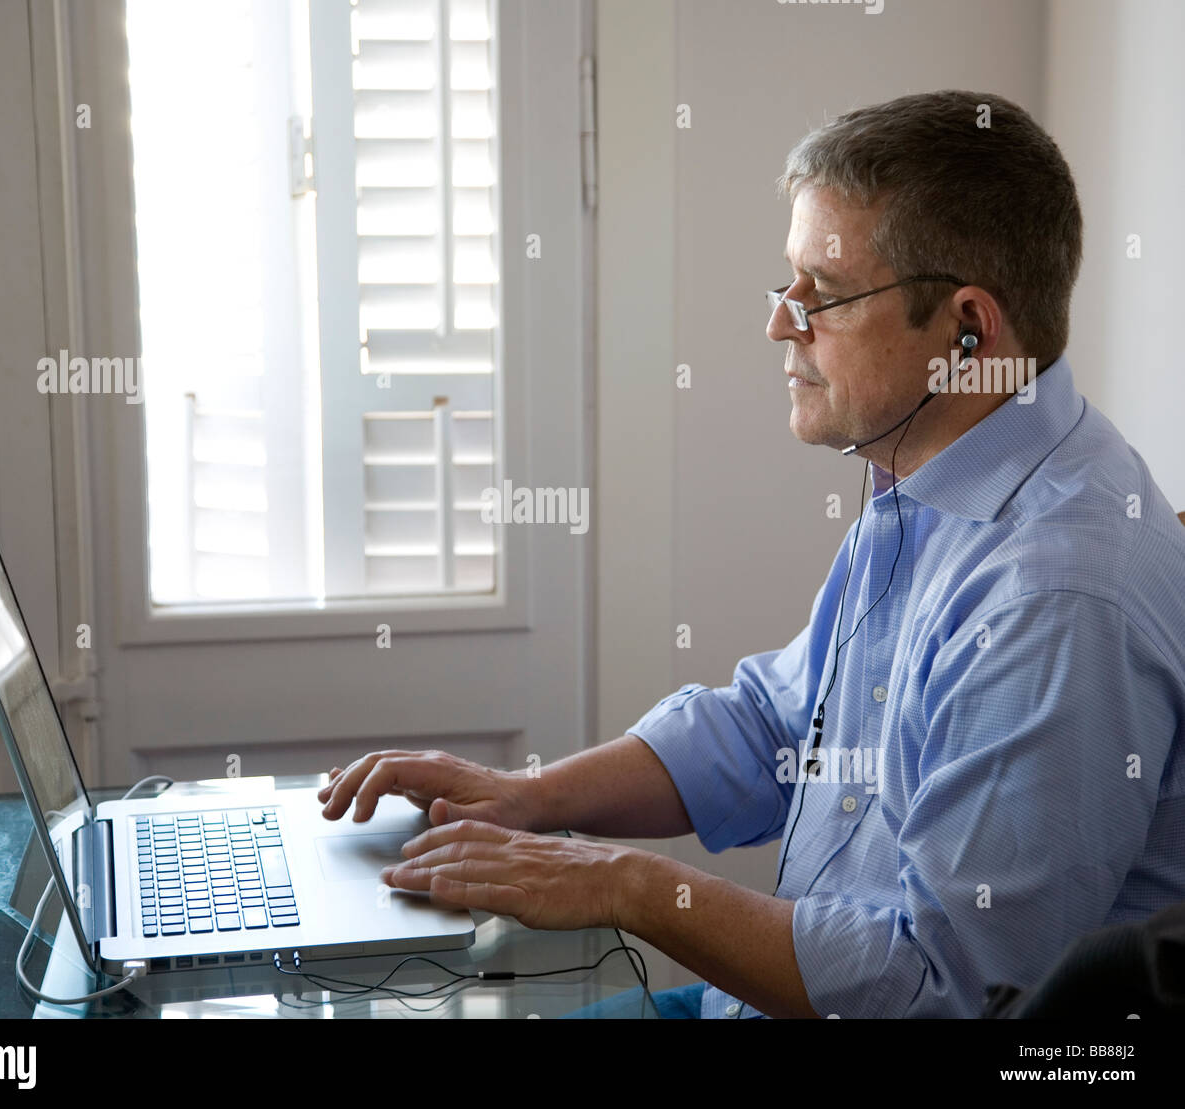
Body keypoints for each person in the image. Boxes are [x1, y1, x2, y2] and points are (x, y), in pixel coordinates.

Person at [318, 90, 1185, 1019]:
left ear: (966, 333)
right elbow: (776, 726)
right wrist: (525, 795)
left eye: (827, 291)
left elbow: (948, 994)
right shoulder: (930, 480)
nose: (782, 321)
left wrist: (628, 886)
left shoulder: (1056, 598)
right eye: (790, 280)